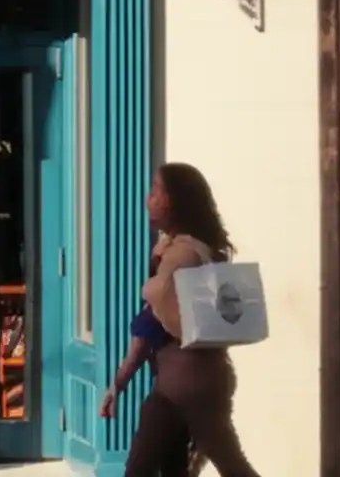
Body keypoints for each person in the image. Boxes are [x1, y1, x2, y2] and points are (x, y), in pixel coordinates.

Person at [123, 163, 260, 476]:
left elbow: (154, 299)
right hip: (177, 385)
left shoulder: (184, 253)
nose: (148, 198)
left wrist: (156, 274)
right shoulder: (182, 247)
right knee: (160, 468)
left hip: (192, 386)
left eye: (156, 190)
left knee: (230, 464)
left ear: (173, 201)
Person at [100, 232, 192, 476]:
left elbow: (134, 359)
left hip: (167, 401)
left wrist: (114, 388)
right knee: (175, 468)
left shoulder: (156, 312)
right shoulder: (195, 306)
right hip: (194, 401)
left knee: (138, 470)